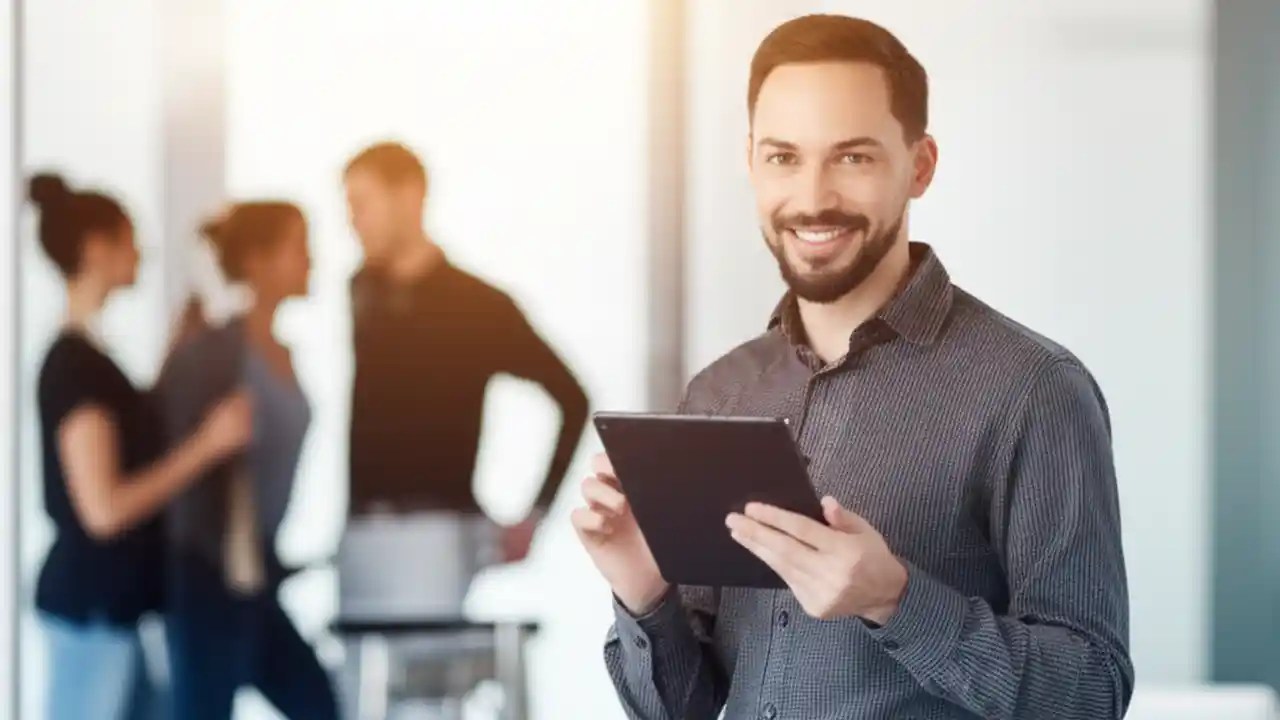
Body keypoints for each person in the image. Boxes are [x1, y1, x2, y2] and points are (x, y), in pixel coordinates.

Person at [573, 14, 1133, 720]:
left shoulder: (1033, 391)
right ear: (750, 161)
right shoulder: (719, 392)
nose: (812, 197)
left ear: (920, 165)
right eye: (784, 157)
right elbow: (683, 709)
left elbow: (1092, 692)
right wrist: (642, 587)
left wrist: (894, 600)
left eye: (853, 157)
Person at [28, 173, 251, 720]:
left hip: (118, 611)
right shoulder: (76, 367)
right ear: (96, 248)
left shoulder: (95, 363)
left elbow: (130, 438)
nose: (142, 254)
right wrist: (207, 445)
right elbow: (104, 510)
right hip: (93, 611)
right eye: (131, 241)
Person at [341, 141, 590, 614]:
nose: (353, 222)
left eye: (361, 205)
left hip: (434, 536)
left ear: (409, 196)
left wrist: (535, 514)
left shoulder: (478, 307)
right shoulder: (360, 288)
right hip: (359, 535)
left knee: (427, 682)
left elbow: (571, 398)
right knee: (357, 684)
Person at [155, 202, 339, 719]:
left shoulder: (283, 352)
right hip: (207, 579)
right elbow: (169, 462)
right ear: (257, 261)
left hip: (255, 575)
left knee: (318, 705)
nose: (311, 260)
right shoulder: (211, 352)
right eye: (298, 248)